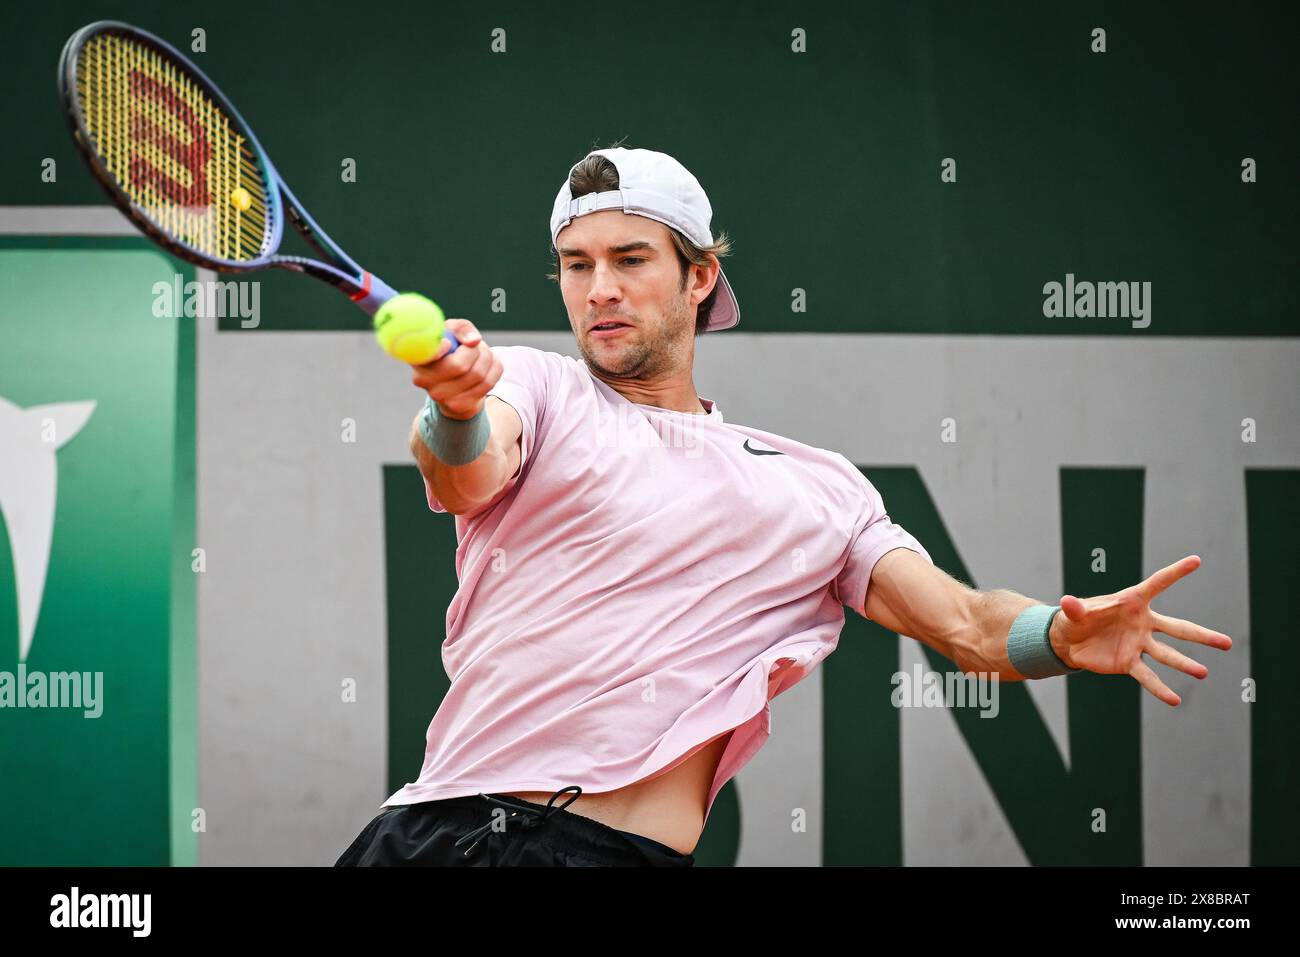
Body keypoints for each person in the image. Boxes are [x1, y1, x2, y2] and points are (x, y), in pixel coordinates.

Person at [335, 146, 1231, 868]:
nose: (598, 288)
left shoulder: (815, 489)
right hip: (424, 831)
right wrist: (453, 407)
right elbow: (467, 473)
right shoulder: (538, 386)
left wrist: (1059, 638)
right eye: (577, 265)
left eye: (629, 259)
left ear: (698, 279)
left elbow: (963, 624)